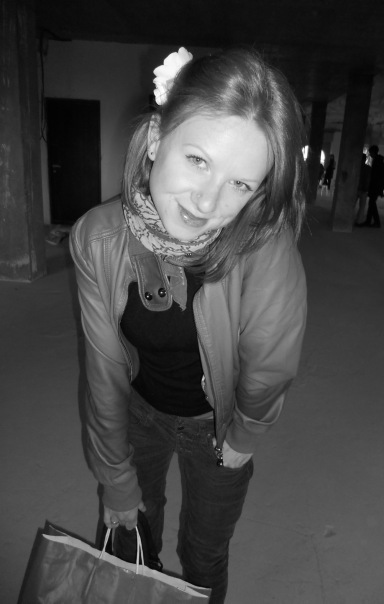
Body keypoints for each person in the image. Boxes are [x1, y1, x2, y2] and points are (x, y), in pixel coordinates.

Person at [70, 47, 307, 603]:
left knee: (204, 556)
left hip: (216, 427)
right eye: (198, 160)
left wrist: (245, 433)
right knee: (133, 539)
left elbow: (271, 356)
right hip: (139, 412)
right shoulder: (97, 237)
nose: (207, 201)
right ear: (157, 139)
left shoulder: (263, 243)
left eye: (241, 184)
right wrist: (116, 480)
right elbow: (103, 371)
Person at [359, 144, 384, 228]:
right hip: (376, 186)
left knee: (372, 204)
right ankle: (370, 221)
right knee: (372, 203)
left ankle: (375, 222)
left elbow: (376, 176)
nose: (370, 154)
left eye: (370, 152)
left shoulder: (377, 162)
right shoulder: (379, 161)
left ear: (373, 152)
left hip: (375, 186)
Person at [355, 153, 371, 225]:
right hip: (364, 189)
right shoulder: (368, 168)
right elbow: (369, 179)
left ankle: (348, 218)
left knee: (352, 204)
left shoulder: (356, 167)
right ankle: (359, 221)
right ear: (365, 159)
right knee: (362, 207)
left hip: (356, 188)